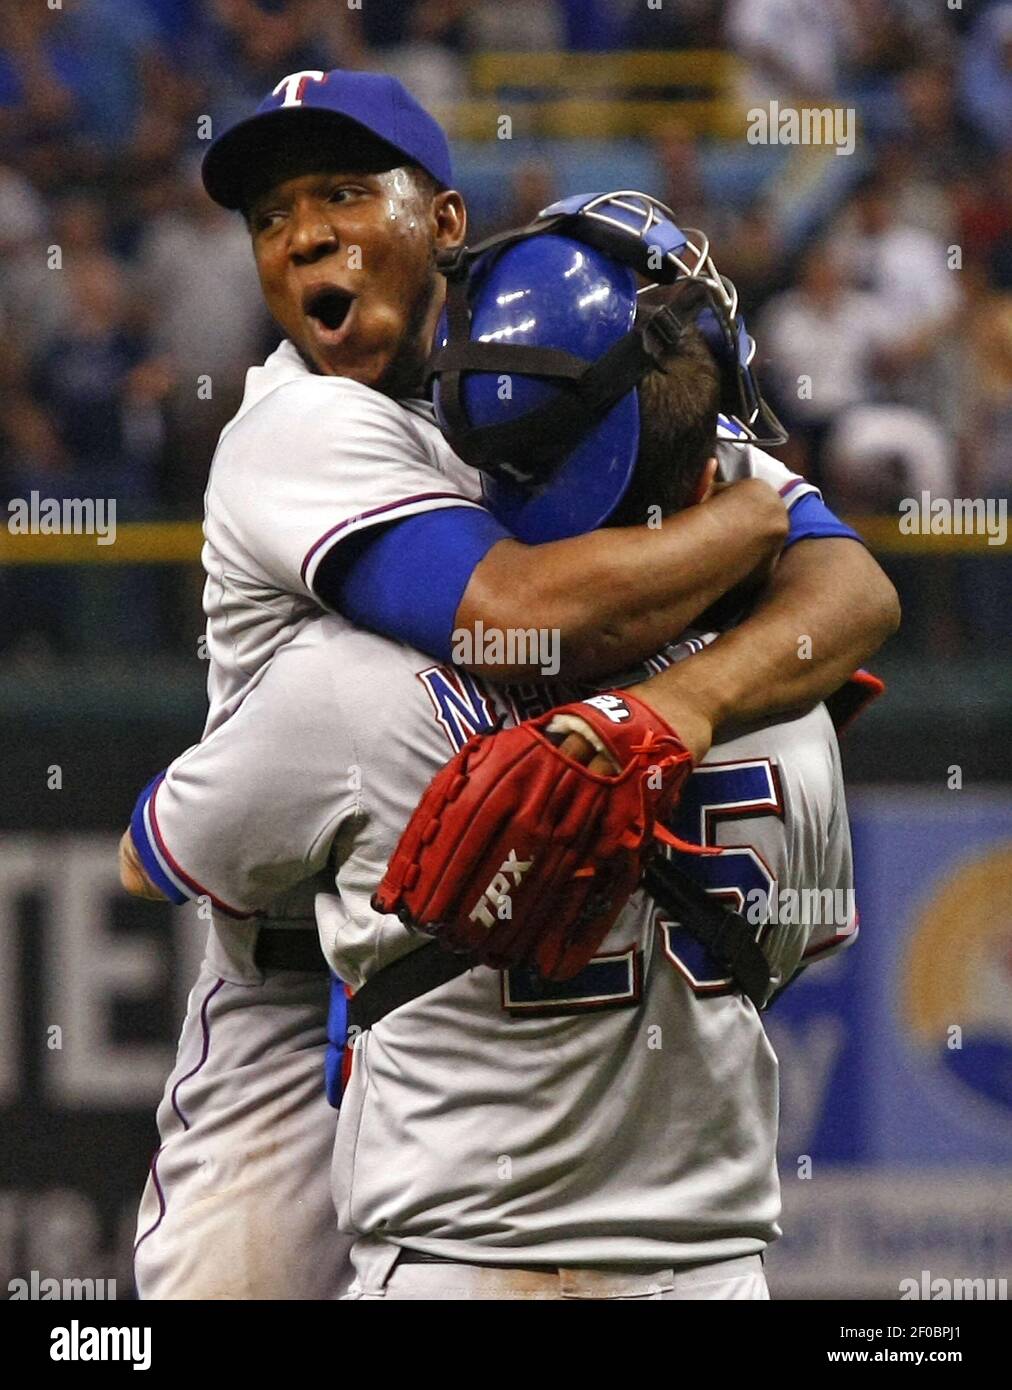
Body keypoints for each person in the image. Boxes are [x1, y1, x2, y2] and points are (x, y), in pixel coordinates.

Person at [122, 70, 897, 1299]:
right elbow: (522, 623)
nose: (303, 234)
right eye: (271, 216)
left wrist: (680, 703)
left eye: (341, 192)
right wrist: (755, 519)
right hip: (308, 964)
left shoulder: (555, 366)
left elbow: (853, 592)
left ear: (441, 220)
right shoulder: (295, 426)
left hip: (539, 944)